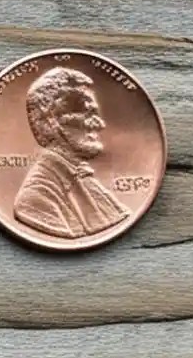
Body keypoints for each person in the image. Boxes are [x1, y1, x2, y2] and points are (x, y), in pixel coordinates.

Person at [14, 67, 129, 238]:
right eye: (84, 113)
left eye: (95, 113)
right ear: (49, 120)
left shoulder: (85, 179)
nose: (98, 124)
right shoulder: (35, 198)